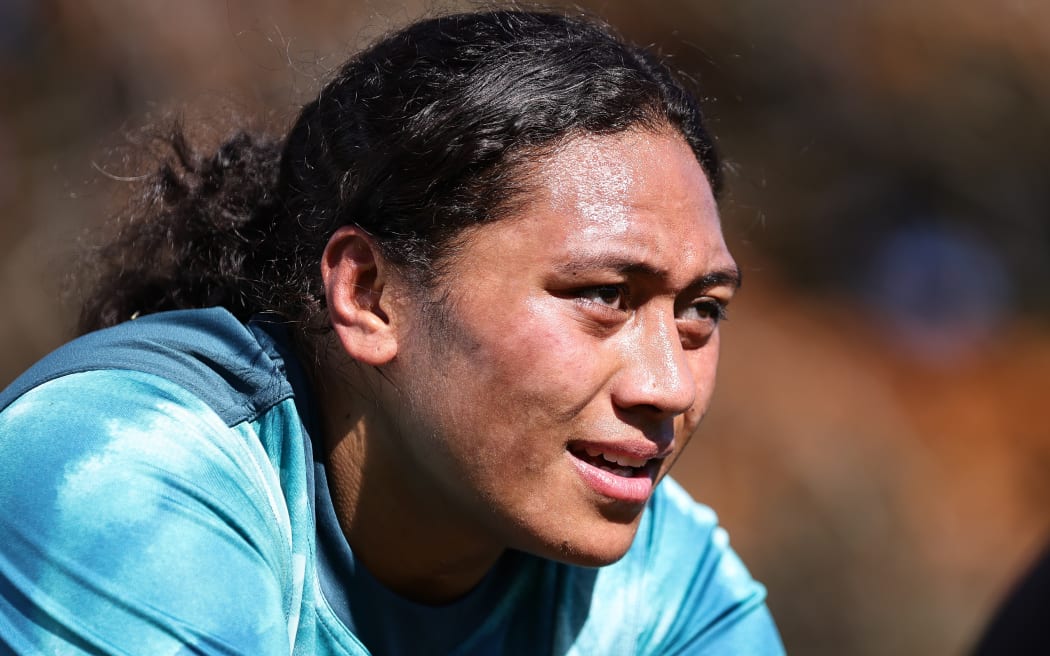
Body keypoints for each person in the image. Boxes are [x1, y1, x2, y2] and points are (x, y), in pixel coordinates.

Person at [0, 9, 784, 655]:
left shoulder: (660, 585)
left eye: (700, 311)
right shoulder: (120, 472)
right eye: (606, 295)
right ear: (370, 294)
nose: (670, 386)